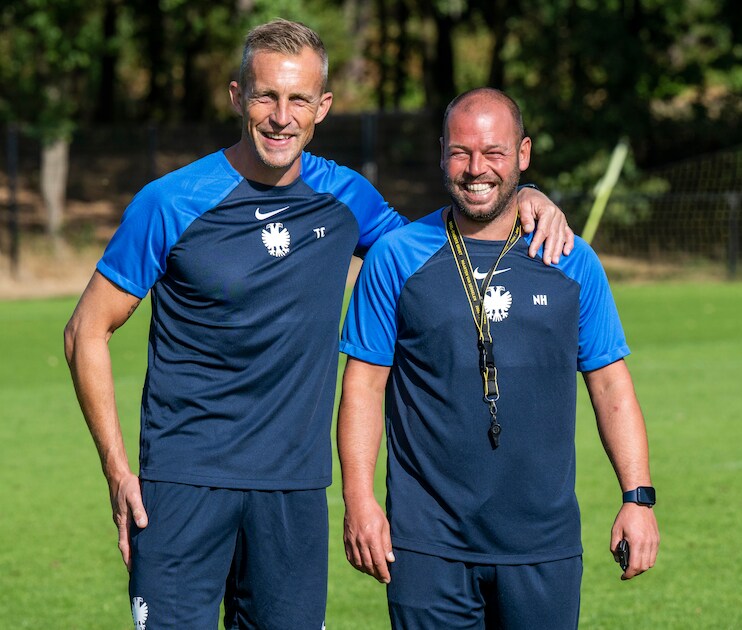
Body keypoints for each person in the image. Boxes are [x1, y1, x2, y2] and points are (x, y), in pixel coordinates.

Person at [62, 20, 573, 629]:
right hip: (181, 485)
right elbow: (85, 331)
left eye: (299, 99)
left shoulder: (347, 197)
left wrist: (525, 196)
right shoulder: (171, 201)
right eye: (266, 96)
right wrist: (118, 471)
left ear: (322, 106)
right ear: (237, 97)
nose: (282, 117)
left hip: (295, 492)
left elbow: (434, 249)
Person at [337, 87, 659, 628]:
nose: (476, 169)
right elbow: (362, 386)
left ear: (523, 154)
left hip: (543, 543)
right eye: (461, 152)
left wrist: (638, 498)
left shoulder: (570, 259)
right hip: (426, 543)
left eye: (494, 152)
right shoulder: (396, 257)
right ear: (442, 153)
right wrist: (358, 500)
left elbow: (610, 385)